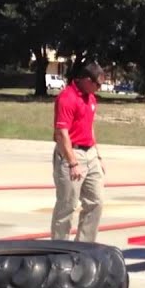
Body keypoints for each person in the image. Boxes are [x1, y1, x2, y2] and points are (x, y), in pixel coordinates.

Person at [50, 61, 106, 241]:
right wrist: (72, 163)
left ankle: (85, 246)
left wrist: (98, 155)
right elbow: (62, 133)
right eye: (97, 84)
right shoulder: (67, 98)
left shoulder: (91, 98)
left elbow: (90, 128)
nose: (99, 88)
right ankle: (59, 249)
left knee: (96, 202)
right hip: (72, 153)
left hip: (90, 154)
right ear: (86, 80)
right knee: (67, 205)